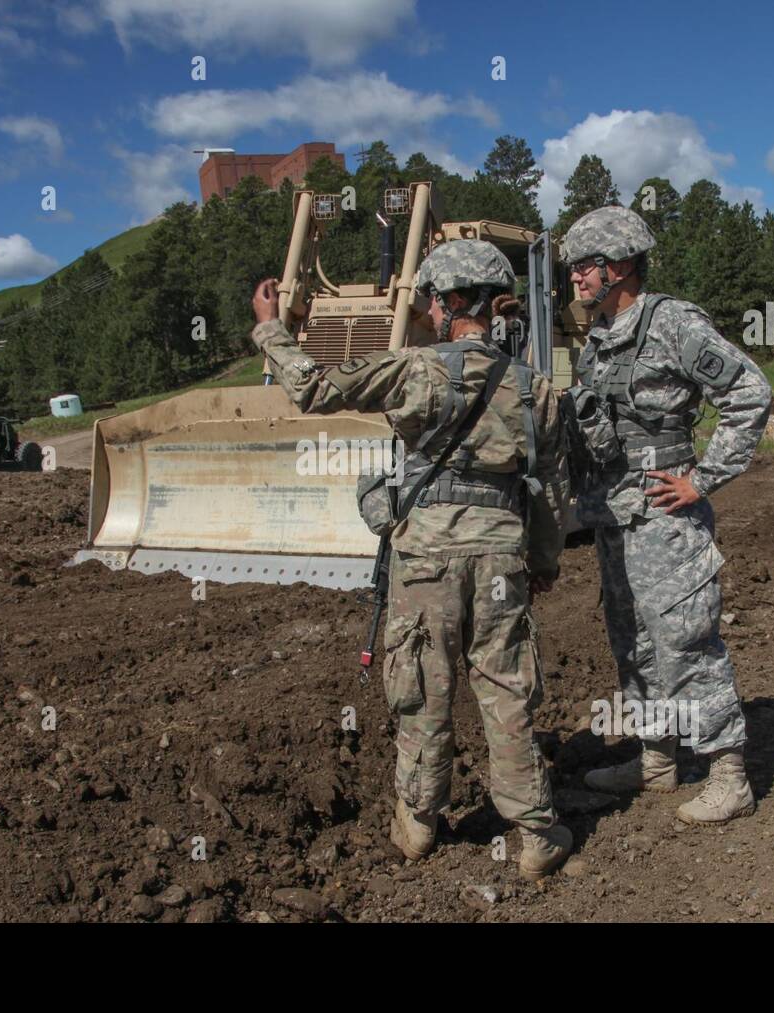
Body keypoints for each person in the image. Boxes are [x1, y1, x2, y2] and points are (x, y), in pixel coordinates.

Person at [251, 239, 574, 878]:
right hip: (502, 557)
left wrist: (270, 329)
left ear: (453, 302)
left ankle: (420, 823)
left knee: (423, 687)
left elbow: (312, 391)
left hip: (426, 557)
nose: (426, 308)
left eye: (431, 297)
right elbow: (549, 486)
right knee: (507, 687)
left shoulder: (411, 370)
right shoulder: (537, 390)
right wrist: (542, 562)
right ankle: (536, 834)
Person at [560, 206, 771, 824]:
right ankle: (656, 760)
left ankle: (729, 774)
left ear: (618, 265)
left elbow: (748, 392)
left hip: (665, 516)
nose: (574, 279)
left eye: (583, 268)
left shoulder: (672, 323)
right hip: (614, 516)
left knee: (685, 641)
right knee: (634, 645)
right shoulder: (599, 338)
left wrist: (703, 479)